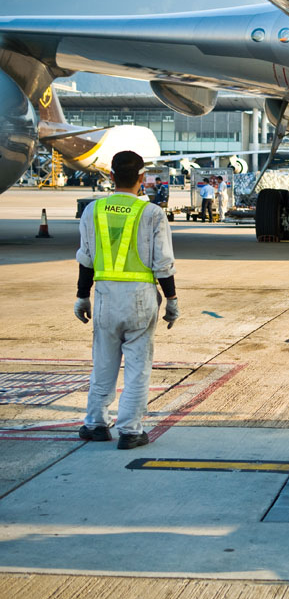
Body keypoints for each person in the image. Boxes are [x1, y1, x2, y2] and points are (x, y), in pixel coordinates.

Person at [74, 150, 179, 449]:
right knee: (137, 366)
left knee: (103, 363)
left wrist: (82, 297)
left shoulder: (93, 210)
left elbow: (86, 259)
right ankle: (131, 430)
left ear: (110, 176)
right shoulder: (152, 213)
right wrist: (171, 299)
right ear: (142, 179)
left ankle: (94, 423)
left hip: (105, 296)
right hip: (141, 298)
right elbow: (163, 263)